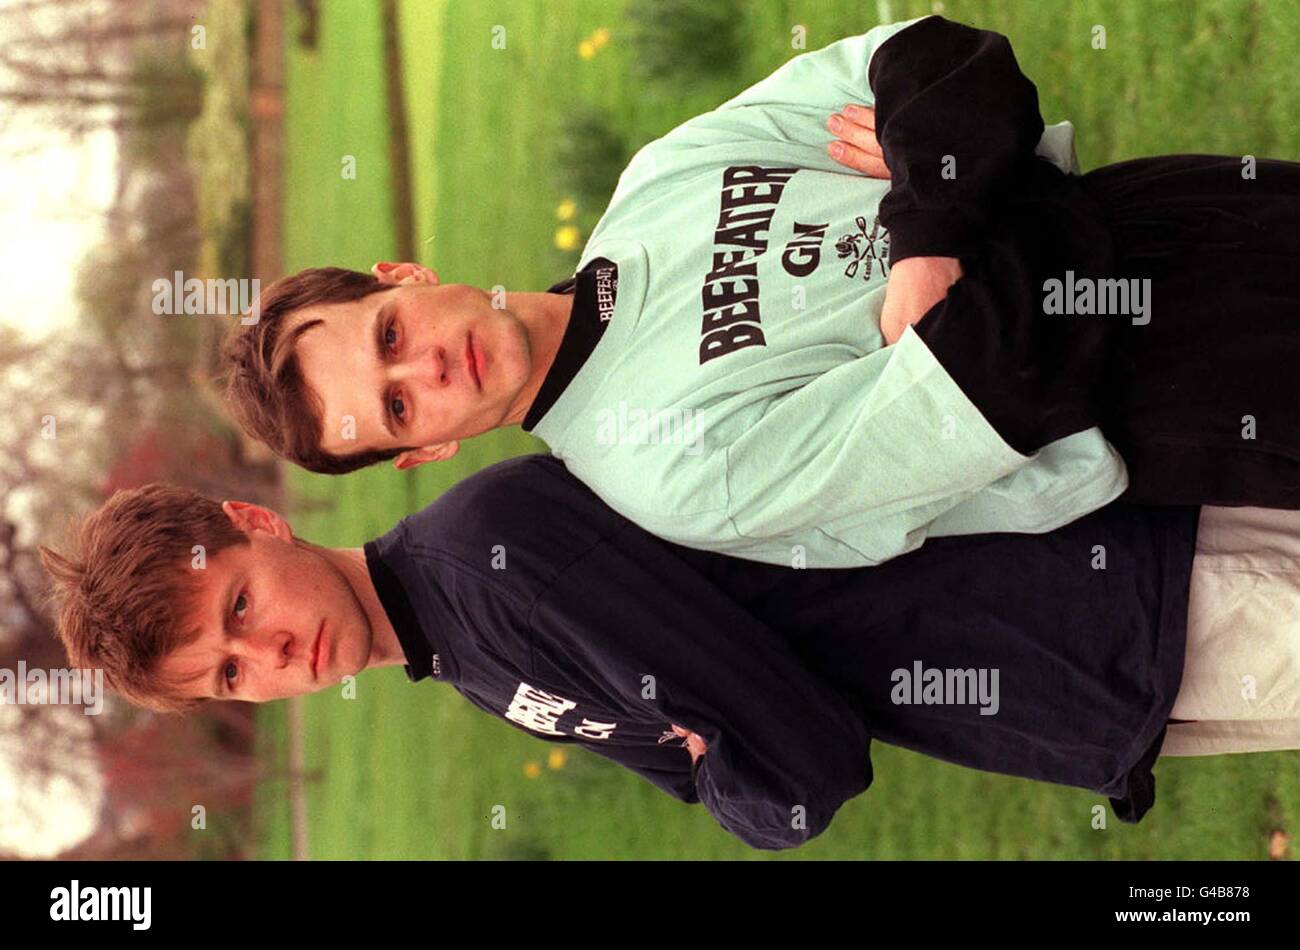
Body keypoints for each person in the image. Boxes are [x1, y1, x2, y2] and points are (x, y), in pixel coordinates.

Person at [218, 14, 1300, 568]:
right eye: (400, 403)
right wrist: (953, 179)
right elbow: (1014, 377)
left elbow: (940, 59)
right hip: (1185, 384)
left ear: (403, 277)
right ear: (426, 451)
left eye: (391, 332)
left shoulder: (657, 184)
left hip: (1180, 209)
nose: (426, 368)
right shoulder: (673, 472)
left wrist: (928, 238)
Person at [38, 456, 1300, 850]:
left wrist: (730, 755)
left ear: (256, 524)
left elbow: (802, 764)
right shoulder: (460, 651)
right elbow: (693, 763)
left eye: (242, 605)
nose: (272, 653)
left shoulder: (489, 552)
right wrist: (718, 748)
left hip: (1087, 608)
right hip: (1072, 697)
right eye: (232, 673)